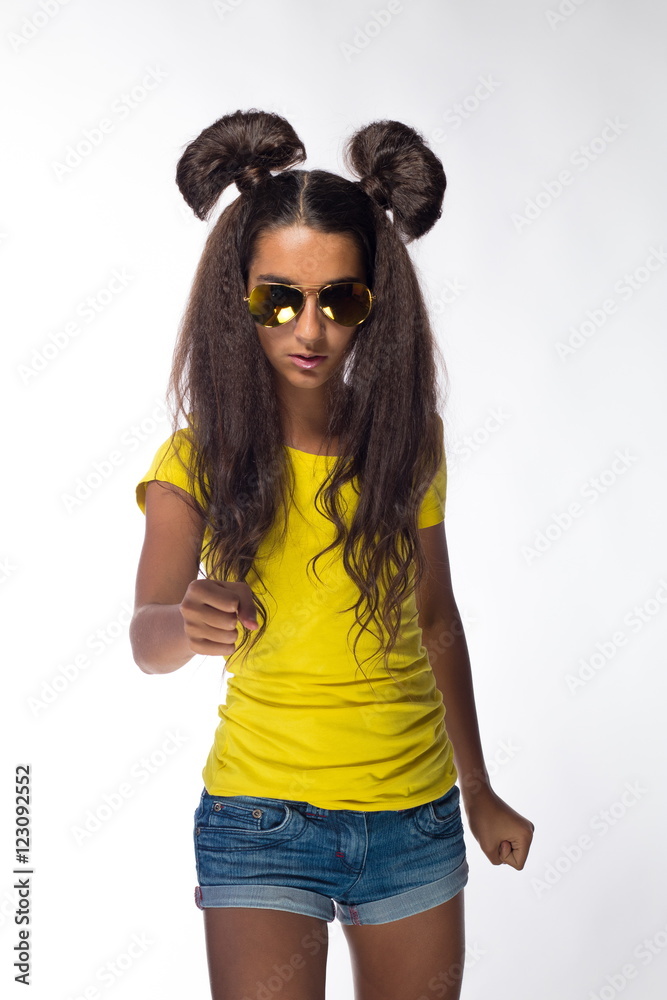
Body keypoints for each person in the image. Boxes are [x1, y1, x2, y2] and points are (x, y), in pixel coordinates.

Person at [130, 108, 534, 1000]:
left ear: (374, 304)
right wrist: (184, 618)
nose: (308, 330)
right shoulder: (197, 459)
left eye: (338, 300)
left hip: (415, 820)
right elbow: (145, 636)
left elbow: (435, 621)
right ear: (237, 300)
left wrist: (478, 792)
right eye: (279, 298)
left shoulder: (408, 443)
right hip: (260, 821)